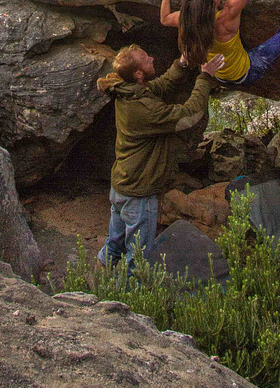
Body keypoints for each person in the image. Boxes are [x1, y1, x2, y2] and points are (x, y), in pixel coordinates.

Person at [96, 44, 224, 271]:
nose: (152, 57)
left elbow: (161, 85)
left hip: (122, 186)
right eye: (147, 59)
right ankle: (124, 302)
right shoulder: (144, 110)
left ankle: (98, 283)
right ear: (138, 74)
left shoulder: (128, 91)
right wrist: (205, 78)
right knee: (139, 259)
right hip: (139, 193)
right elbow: (189, 115)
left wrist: (182, 64)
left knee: (114, 246)